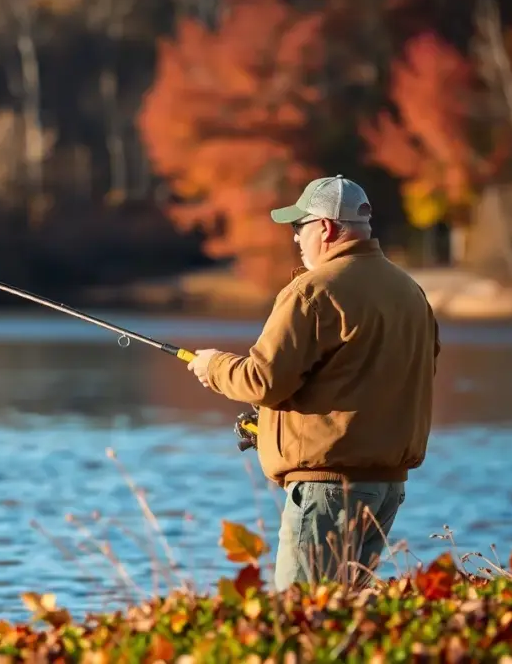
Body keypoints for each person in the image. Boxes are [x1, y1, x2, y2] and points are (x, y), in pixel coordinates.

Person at [187, 175, 440, 590]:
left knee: (302, 618)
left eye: (298, 228)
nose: (295, 241)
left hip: (328, 493)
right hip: (386, 489)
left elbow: (261, 379)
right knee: (347, 612)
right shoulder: (410, 292)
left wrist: (213, 366)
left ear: (325, 228)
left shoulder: (313, 291)